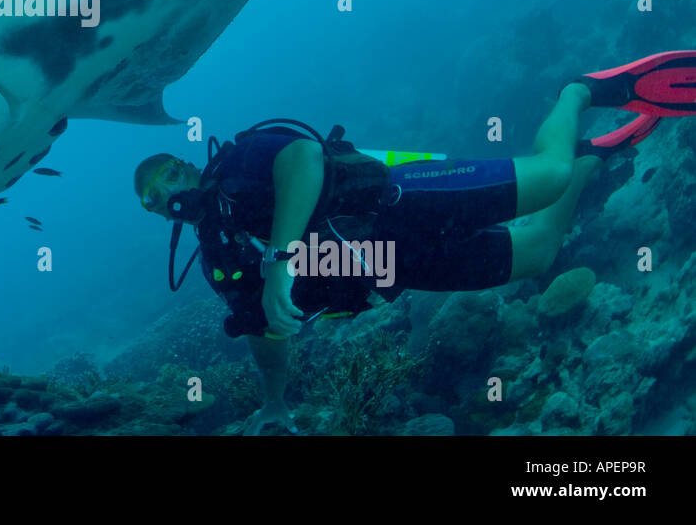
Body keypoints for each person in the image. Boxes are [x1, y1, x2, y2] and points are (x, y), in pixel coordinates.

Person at [134, 51, 695, 433]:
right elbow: (261, 330)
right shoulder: (219, 253)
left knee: (547, 178)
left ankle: (582, 90)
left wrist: (280, 259)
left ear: (188, 166)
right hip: (403, 267)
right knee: (541, 251)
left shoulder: (239, 161)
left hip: (405, 198)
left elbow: (302, 157)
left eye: (169, 178)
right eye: (154, 199)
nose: (168, 196)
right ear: (158, 216)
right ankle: (588, 155)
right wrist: (274, 402)